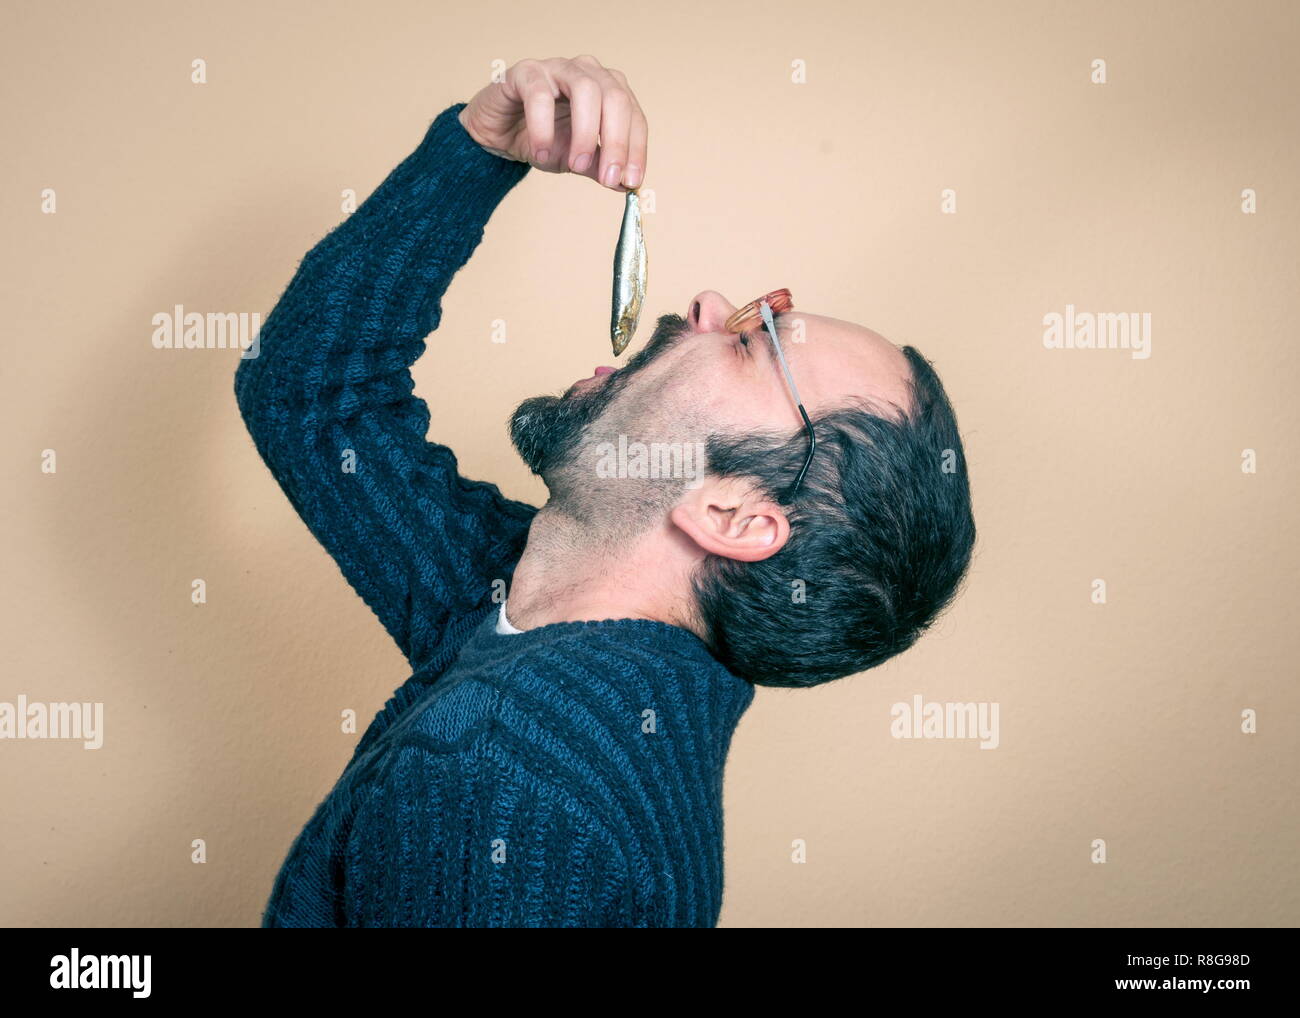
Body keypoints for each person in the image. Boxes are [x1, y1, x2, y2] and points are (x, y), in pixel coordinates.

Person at [235, 54, 976, 928]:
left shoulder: (506, 771)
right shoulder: (535, 622)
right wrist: (480, 149)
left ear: (733, 515)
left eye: (755, 341)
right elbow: (315, 397)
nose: (708, 304)